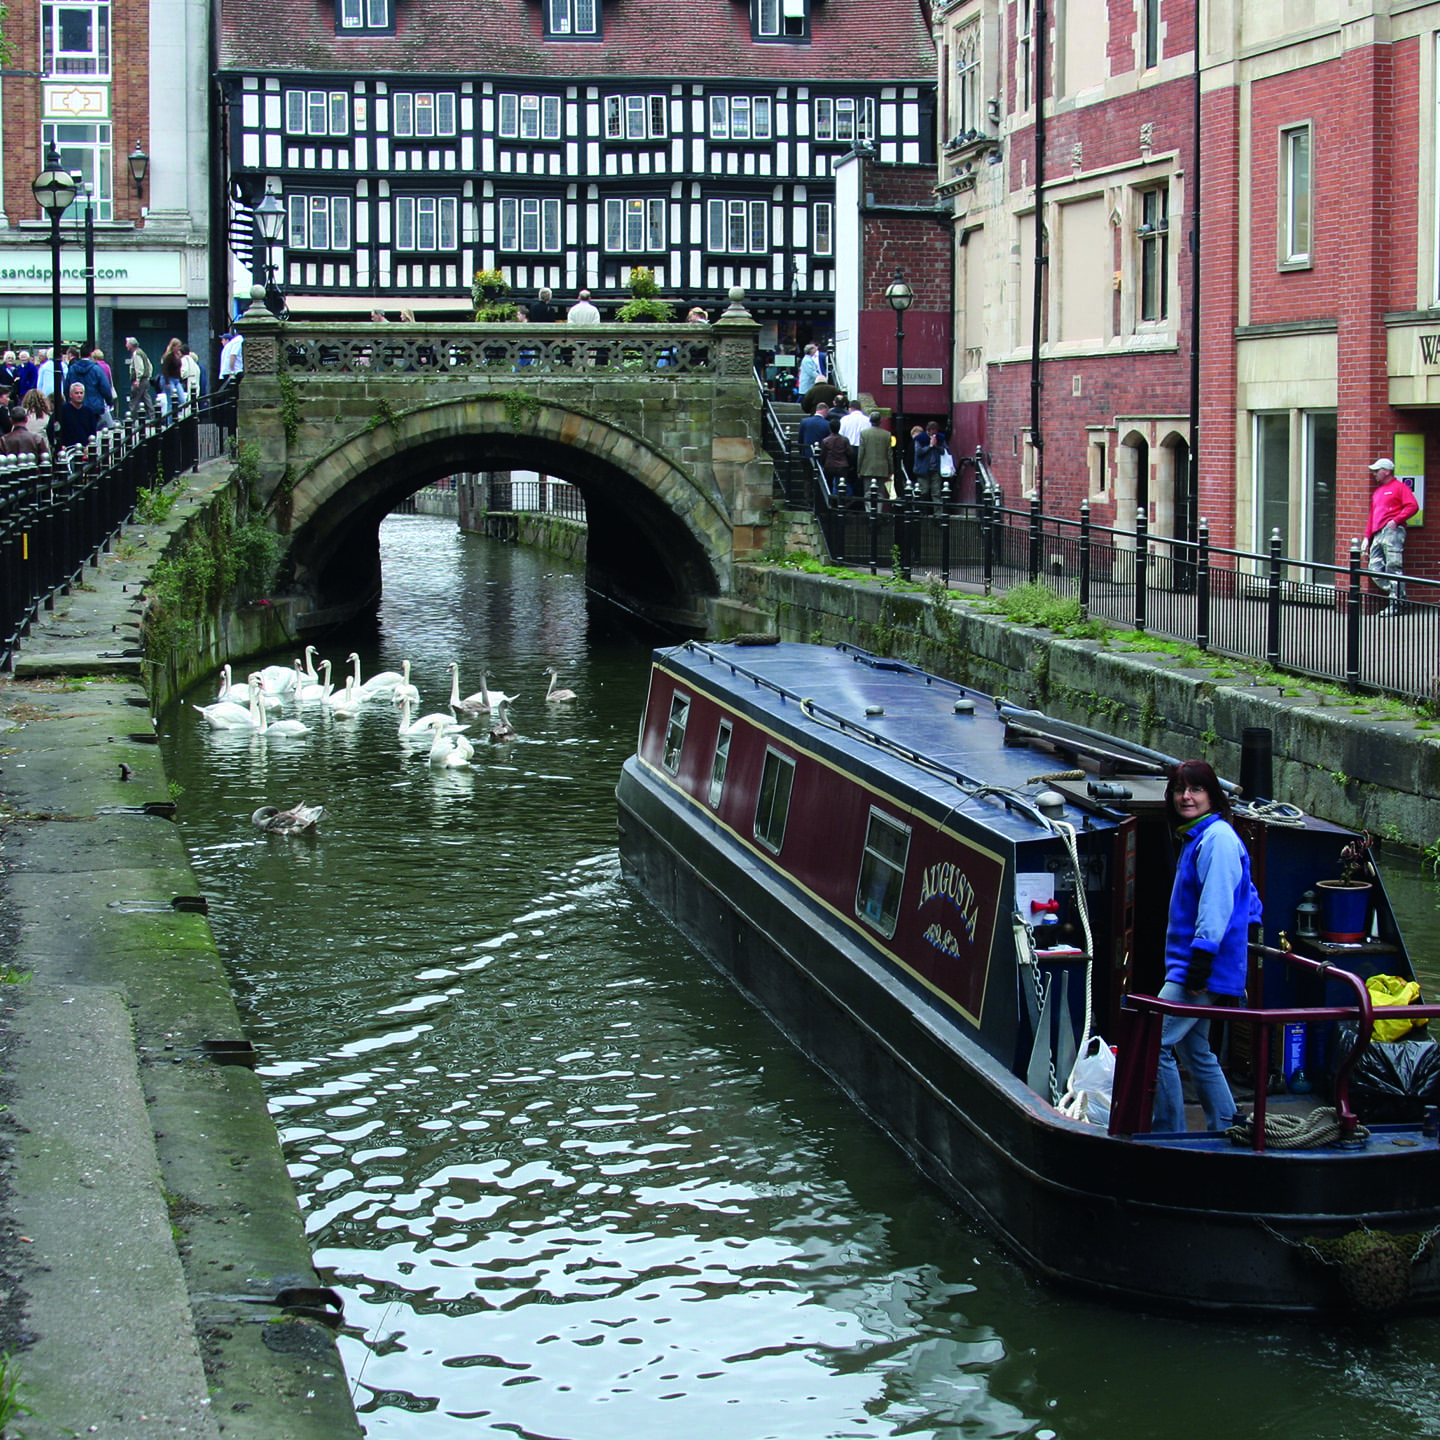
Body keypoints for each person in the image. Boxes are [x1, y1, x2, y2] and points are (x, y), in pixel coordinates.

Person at [1152, 759, 1259, 1134]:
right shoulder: (1200, 836)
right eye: (1179, 789)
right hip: (1197, 964)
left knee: (1155, 1042)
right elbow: (1249, 898)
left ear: (1213, 795)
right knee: (1194, 1049)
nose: (1186, 796)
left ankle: (1167, 1133)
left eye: (1195, 789)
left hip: (1199, 968)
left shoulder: (1217, 840)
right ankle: (1229, 1125)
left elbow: (1216, 903)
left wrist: (1200, 964)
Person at [1363, 457, 1419, 616]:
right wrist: (1367, 537)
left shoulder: (1399, 487)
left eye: (1377, 470)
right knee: (1374, 569)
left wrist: (1397, 520)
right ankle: (1400, 597)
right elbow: (1372, 515)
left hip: (1392, 531)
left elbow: (1413, 506)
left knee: (1393, 568)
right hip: (1378, 532)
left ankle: (1397, 603)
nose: (1374, 473)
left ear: (1386, 471)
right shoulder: (1378, 491)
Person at [63, 345, 115, 423]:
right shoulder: (96, 369)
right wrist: (109, 401)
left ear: (80, 354)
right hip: (94, 406)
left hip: (76, 405)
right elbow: (105, 387)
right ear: (90, 355)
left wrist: (68, 400)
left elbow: (66, 387)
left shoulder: (72, 369)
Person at [50, 381, 104, 449]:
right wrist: (58, 446)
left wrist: (89, 446)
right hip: (66, 450)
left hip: (84, 450)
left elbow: (92, 432)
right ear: (70, 395)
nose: (79, 395)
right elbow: (51, 429)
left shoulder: (89, 412)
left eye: (81, 393)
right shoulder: (61, 410)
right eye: (76, 393)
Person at [856, 414, 894, 504]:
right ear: (880, 421)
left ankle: (870, 513)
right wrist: (891, 470)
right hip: (882, 468)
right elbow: (889, 454)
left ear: (870, 421)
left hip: (867, 468)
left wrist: (859, 469)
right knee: (880, 493)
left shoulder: (864, 433)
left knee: (868, 493)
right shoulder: (887, 435)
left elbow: (861, 453)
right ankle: (878, 513)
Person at [816, 415, 856, 497]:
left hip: (829, 465)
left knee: (828, 485)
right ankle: (841, 503)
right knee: (842, 486)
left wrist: (823, 464)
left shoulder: (825, 441)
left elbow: (823, 454)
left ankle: (830, 502)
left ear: (830, 428)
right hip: (842, 465)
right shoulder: (844, 440)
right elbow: (850, 453)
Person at [126, 336, 153, 417]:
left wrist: (137, 380)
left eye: (127, 344)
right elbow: (150, 366)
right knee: (146, 399)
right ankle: (153, 417)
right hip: (145, 380)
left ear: (131, 345)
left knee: (134, 400)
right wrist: (148, 377)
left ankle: (130, 419)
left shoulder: (136, 354)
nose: (126, 345)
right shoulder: (142, 352)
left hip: (140, 381)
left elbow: (139, 367)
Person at [160, 338, 185, 411]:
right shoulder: (169, 357)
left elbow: (178, 369)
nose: (179, 348)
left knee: (182, 399)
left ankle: (176, 414)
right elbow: (165, 369)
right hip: (169, 379)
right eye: (178, 346)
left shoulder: (178, 356)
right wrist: (167, 382)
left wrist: (180, 379)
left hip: (176, 380)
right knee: (171, 401)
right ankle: (170, 420)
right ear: (173, 347)